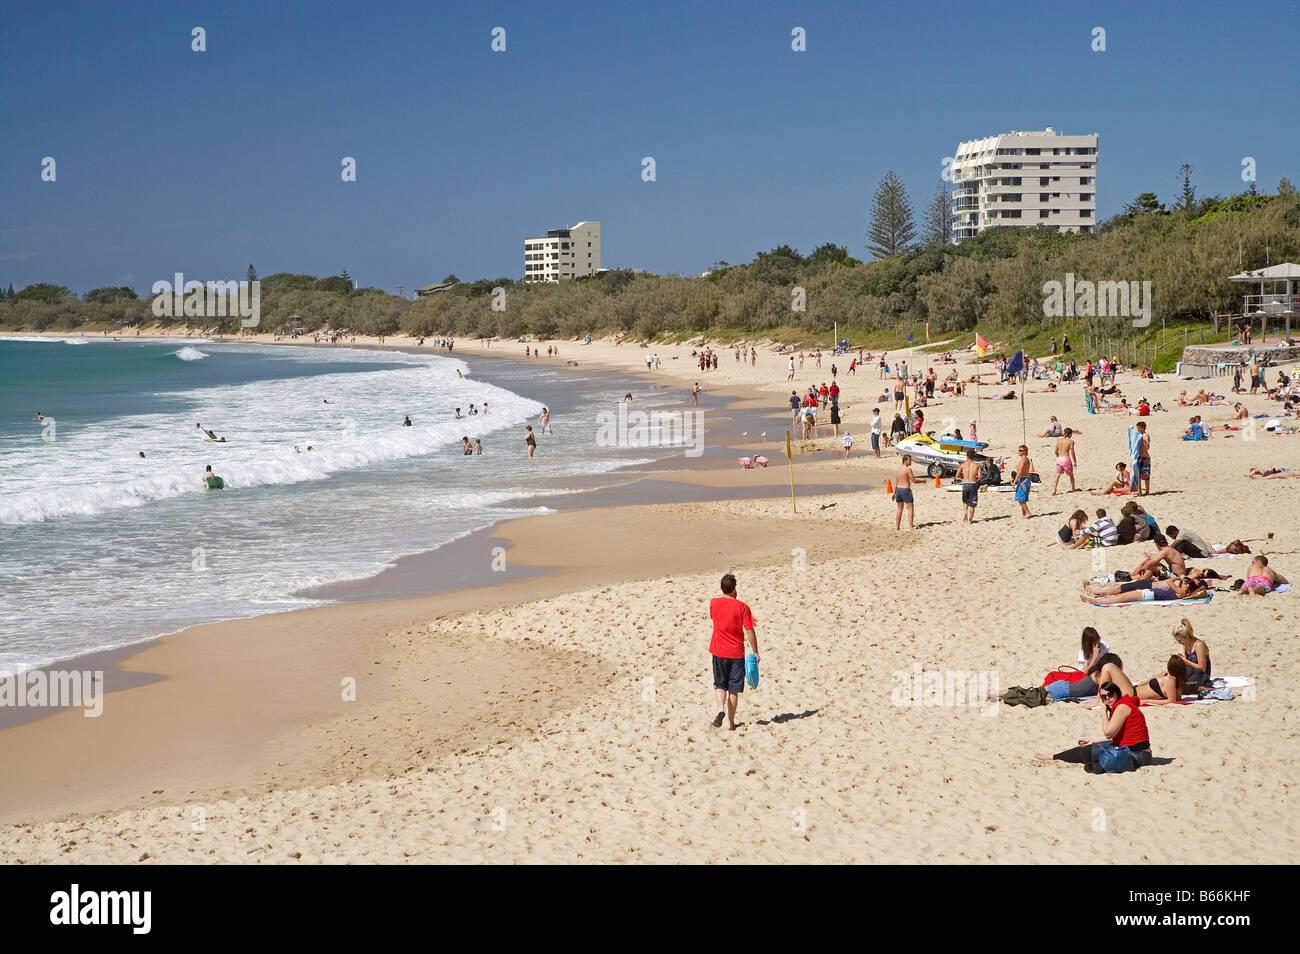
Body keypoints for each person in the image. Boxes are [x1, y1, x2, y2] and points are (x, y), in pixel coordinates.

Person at [1035, 681, 1153, 772]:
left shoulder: (1122, 707)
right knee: (1089, 749)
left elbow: (1109, 733)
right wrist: (1093, 740)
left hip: (1138, 755)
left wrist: (1103, 709)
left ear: (1117, 694)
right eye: (1103, 697)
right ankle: (1054, 756)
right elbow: (1117, 735)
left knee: (1088, 753)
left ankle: (1052, 757)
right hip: (1137, 751)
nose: (1107, 699)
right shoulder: (1122, 705)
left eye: (1110, 695)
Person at [708, 573, 759, 732]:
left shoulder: (713, 603)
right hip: (736, 653)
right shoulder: (742, 607)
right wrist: (755, 652)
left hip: (718, 651)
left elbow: (714, 619)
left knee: (719, 685)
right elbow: (749, 630)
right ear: (734, 589)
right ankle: (731, 723)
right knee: (734, 689)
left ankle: (720, 709)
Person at [1172, 618, 1211, 690]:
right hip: (1192, 674)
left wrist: (1186, 661)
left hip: (1201, 676)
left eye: (1180, 640)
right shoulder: (1186, 645)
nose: (1179, 643)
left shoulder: (1199, 645)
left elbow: (1202, 668)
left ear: (1186, 637)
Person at [956, 451, 982, 523]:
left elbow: (957, 475)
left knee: (965, 501)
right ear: (973, 457)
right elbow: (980, 476)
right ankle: (970, 519)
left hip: (965, 483)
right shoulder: (977, 465)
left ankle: (965, 513)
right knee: (973, 503)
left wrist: (963, 477)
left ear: (966, 457)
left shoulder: (962, 465)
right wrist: (975, 479)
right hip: (973, 484)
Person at [1052, 428, 1078, 495]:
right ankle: (1073, 488)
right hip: (1066, 459)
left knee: (1057, 475)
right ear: (1070, 434)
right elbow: (1072, 453)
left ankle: (1054, 489)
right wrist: (1075, 462)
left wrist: (1058, 456)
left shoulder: (1059, 441)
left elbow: (1055, 451)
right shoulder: (1071, 441)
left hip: (1059, 459)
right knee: (1071, 475)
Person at [894, 455, 915, 530]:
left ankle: (897, 527)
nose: (910, 461)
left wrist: (894, 492)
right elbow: (913, 480)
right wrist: (923, 481)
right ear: (905, 460)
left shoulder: (898, 469)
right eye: (909, 460)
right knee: (910, 508)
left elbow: (896, 481)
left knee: (899, 509)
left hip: (898, 490)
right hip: (905, 490)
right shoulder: (908, 469)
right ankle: (910, 526)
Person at [1012, 445, 1034, 518]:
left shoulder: (1023, 459)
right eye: (1018, 450)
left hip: (1023, 479)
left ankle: (1028, 512)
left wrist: (1015, 481)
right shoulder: (1026, 459)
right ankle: (1024, 514)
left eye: (1020, 450)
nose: (1019, 452)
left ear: (1024, 451)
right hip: (1026, 478)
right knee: (1022, 498)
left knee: (1020, 498)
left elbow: (1020, 472)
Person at [1134, 420, 1151, 494]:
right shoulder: (1138, 435)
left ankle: (1147, 491)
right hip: (1139, 457)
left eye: (1139, 428)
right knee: (1138, 475)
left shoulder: (1145, 435)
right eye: (1137, 428)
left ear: (1143, 428)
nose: (1138, 430)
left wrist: (1143, 441)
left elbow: (1147, 446)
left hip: (1145, 457)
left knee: (1146, 475)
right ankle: (1139, 490)